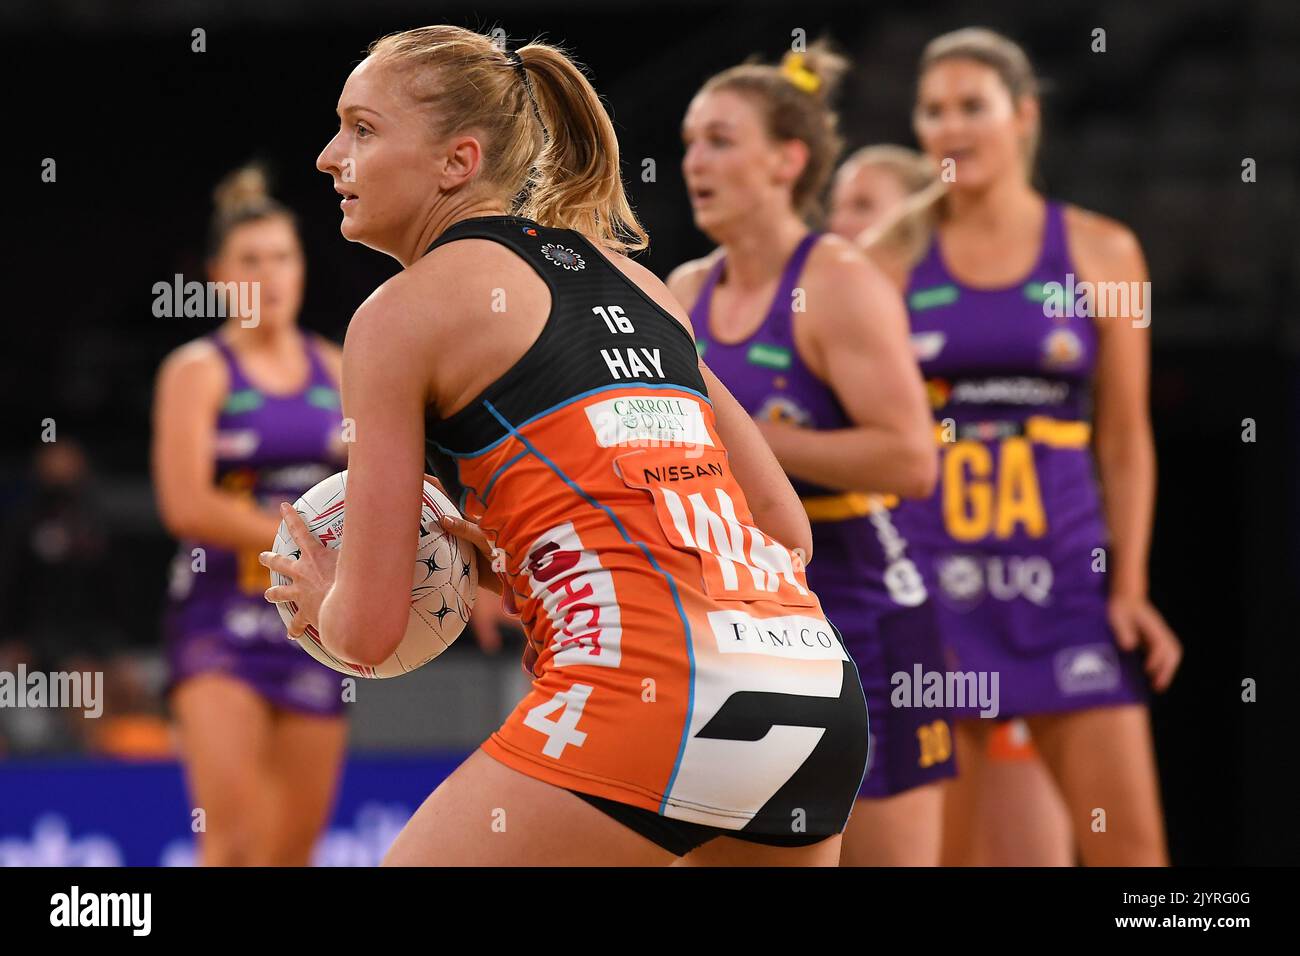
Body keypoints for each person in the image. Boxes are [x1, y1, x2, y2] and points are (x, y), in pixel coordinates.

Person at [262, 25, 868, 867]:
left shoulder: (398, 316)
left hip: (649, 695)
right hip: (812, 690)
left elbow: (364, 634)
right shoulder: (637, 279)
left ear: (457, 162)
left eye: (362, 129)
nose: (331, 157)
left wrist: (320, 590)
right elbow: (786, 531)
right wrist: (535, 555)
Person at [869, 27, 1181, 865]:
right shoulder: (889, 257)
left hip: (1066, 589)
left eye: (973, 106)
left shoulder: (1105, 250)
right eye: (932, 111)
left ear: (1024, 117)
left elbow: (1124, 436)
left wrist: (1133, 582)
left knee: (1134, 858)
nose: (950, 128)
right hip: (935, 591)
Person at [668, 46, 952, 866]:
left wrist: (754, 439)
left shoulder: (838, 279)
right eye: (689, 141)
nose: (694, 161)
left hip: (862, 601)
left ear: (788, 160)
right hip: (744, 609)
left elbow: (910, 459)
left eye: (720, 140)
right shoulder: (685, 290)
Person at [831, 143, 1075, 865]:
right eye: (838, 204)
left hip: (979, 614)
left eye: (864, 206)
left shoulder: (934, 334)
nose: (842, 224)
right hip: (876, 624)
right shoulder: (823, 324)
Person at [152, 166, 349, 866]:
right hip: (218, 624)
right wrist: (302, 537)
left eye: (283, 257)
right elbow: (185, 504)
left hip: (313, 630)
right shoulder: (197, 370)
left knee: (292, 852)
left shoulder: (340, 368)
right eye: (250, 261)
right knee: (233, 845)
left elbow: (380, 487)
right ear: (216, 275)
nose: (269, 276)